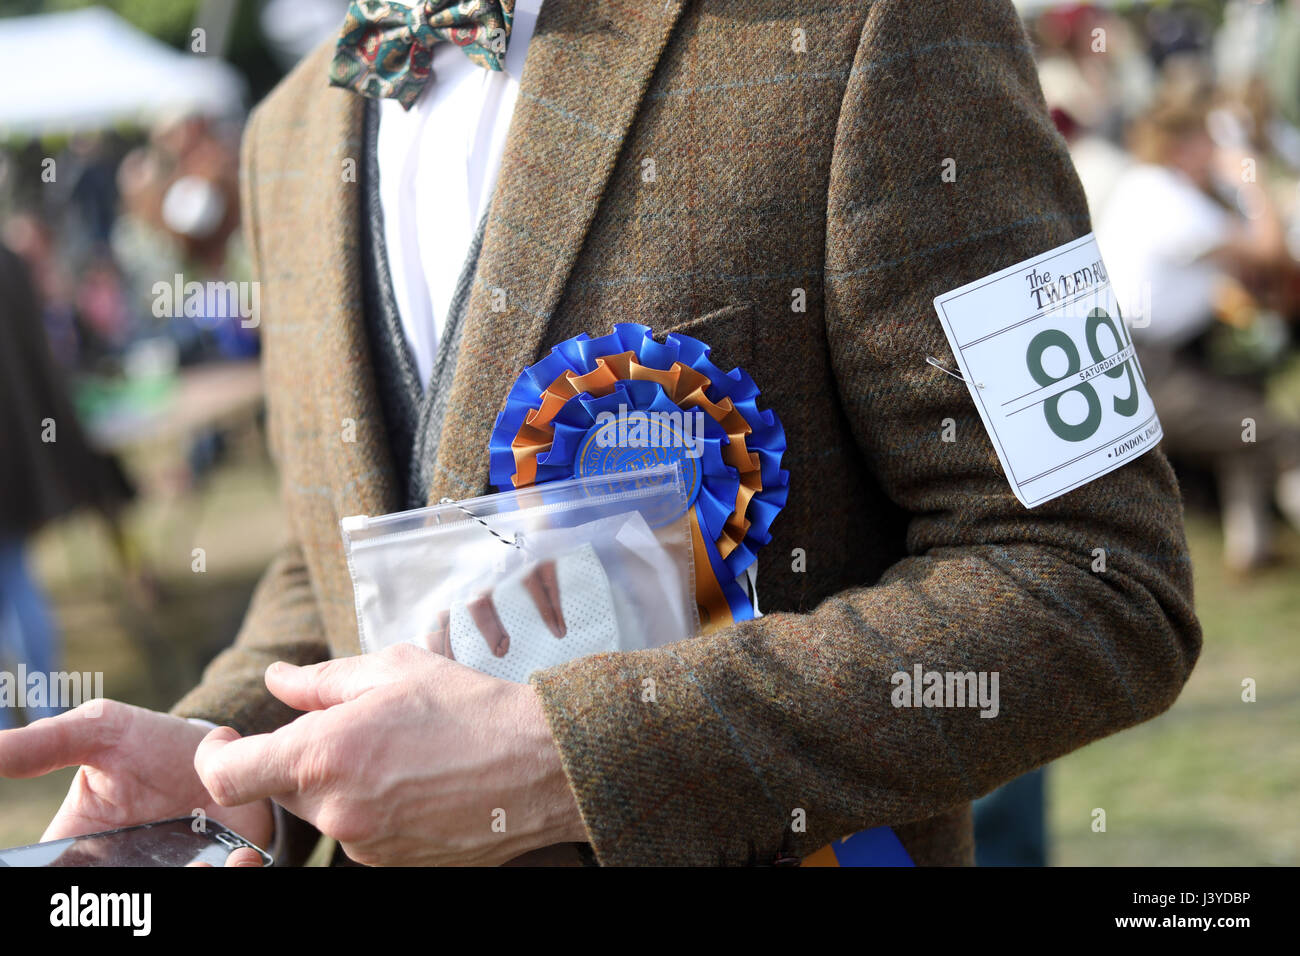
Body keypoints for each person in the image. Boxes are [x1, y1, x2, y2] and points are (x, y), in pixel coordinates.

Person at [0, 0, 1201, 866]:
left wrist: (553, 752)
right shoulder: (287, 129)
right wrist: (227, 767)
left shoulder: (880, 22)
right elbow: (343, 545)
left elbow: (1099, 579)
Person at [1098, 89, 1300, 572]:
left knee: (1247, 415)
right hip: (1143, 367)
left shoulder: (1145, 186)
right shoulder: (1165, 196)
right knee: (1281, 436)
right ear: (1182, 146)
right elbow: (1268, 251)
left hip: (1146, 356)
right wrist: (1250, 179)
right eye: (1207, 139)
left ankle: (1250, 550)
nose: (1216, 150)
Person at [0, 242, 133, 729]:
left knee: (14, 579)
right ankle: (41, 714)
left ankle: (27, 718)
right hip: (19, 459)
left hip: (16, 459)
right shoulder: (9, 261)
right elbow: (40, 366)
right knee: (16, 580)